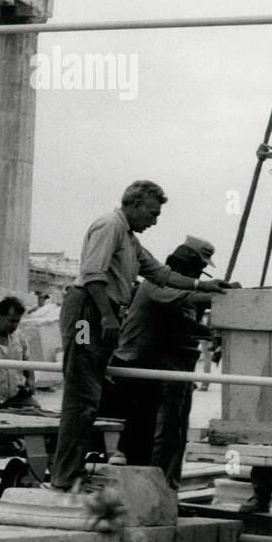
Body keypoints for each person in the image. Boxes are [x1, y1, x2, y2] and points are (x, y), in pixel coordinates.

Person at [49, 181, 232, 492]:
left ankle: (72, 471)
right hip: (87, 314)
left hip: (100, 313)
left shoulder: (129, 238)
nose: (155, 220)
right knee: (81, 397)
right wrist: (107, 315)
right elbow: (92, 273)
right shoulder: (110, 226)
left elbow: (160, 274)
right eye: (152, 213)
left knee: (89, 398)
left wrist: (204, 285)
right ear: (133, 205)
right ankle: (66, 475)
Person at [109, 238, 222, 489]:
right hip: (137, 365)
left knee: (169, 431)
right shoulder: (156, 285)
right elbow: (189, 301)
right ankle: (152, 484)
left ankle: (161, 485)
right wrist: (218, 294)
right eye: (195, 271)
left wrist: (211, 333)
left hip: (157, 365)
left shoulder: (169, 290)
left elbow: (183, 321)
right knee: (158, 431)